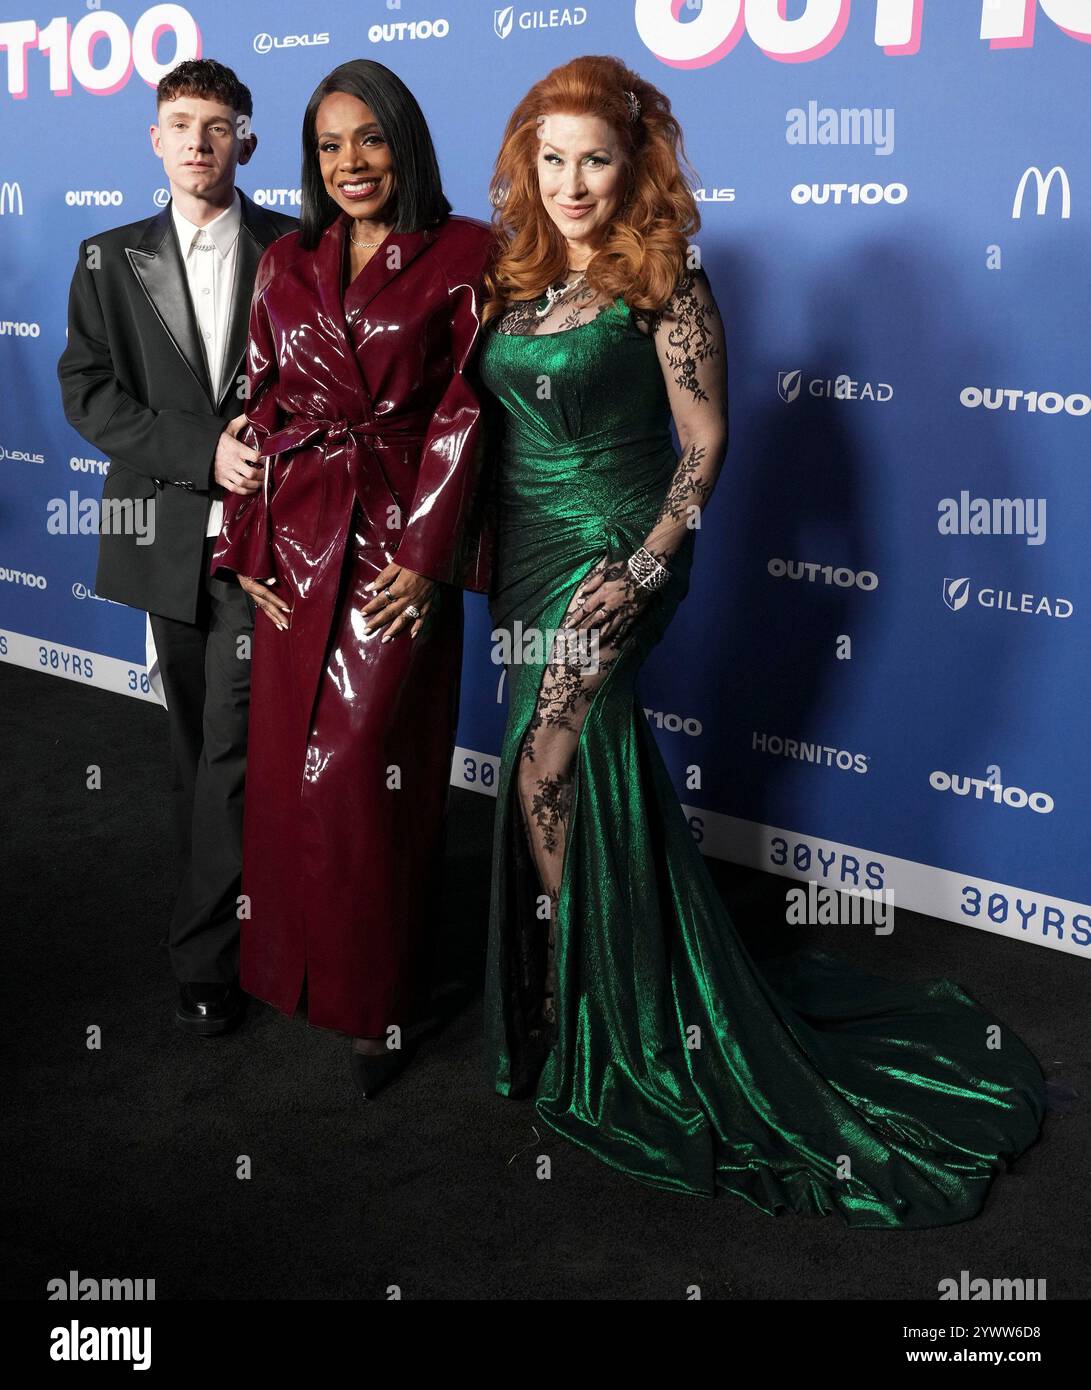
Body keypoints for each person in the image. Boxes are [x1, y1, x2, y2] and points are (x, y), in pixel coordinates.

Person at [478, 54, 1047, 1227]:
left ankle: (599, 1014)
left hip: (622, 543)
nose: (572, 181)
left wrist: (643, 564)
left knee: (551, 752)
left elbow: (703, 443)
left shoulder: (664, 278)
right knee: (565, 766)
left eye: (593, 157)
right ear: (526, 165)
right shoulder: (514, 279)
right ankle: (581, 983)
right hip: (529, 553)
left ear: (632, 162)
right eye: (551, 158)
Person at [210, 60, 494, 1097]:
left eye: (367, 139)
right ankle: (287, 970)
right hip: (295, 539)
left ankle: (377, 1000)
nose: (348, 163)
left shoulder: (466, 254)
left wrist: (426, 559)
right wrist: (243, 545)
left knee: (374, 780)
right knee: (290, 775)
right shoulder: (287, 260)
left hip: (394, 545)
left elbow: (469, 411)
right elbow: (259, 404)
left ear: (403, 142)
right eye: (328, 145)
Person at [57, 58, 298, 1036]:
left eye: (219, 123)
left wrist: (269, 455)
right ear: (155, 140)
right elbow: (89, 394)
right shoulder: (104, 258)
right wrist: (204, 450)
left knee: (237, 748)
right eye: (181, 123)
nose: (199, 139)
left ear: (248, 139)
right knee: (198, 746)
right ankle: (245, 918)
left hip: (272, 540)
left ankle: (206, 957)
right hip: (165, 537)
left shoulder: (299, 246)